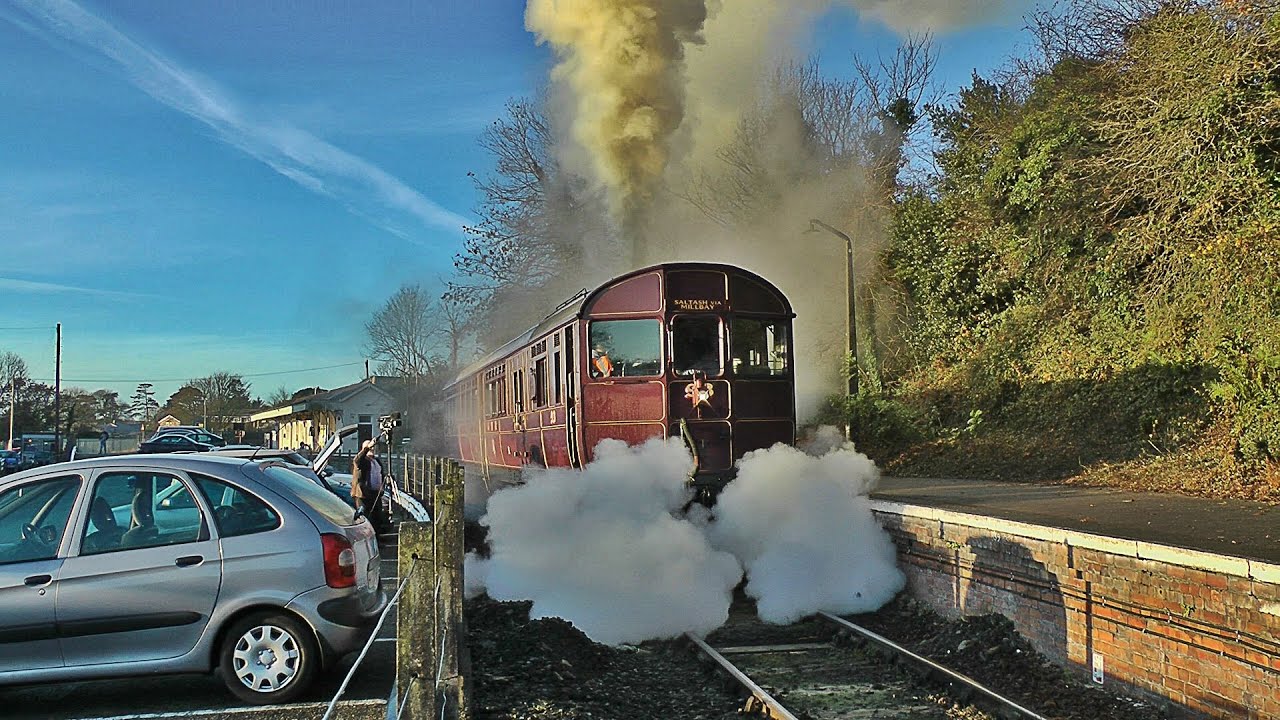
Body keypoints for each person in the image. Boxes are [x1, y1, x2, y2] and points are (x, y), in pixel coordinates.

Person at [351, 438, 387, 531]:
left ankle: (378, 538)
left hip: (376, 494)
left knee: (377, 518)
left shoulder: (376, 461)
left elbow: (380, 474)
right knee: (366, 518)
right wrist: (367, 448)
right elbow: (357, 460)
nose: (372, 450)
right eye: (370, 448)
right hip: (364, 495)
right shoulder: (362, 462)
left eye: (373, 448)